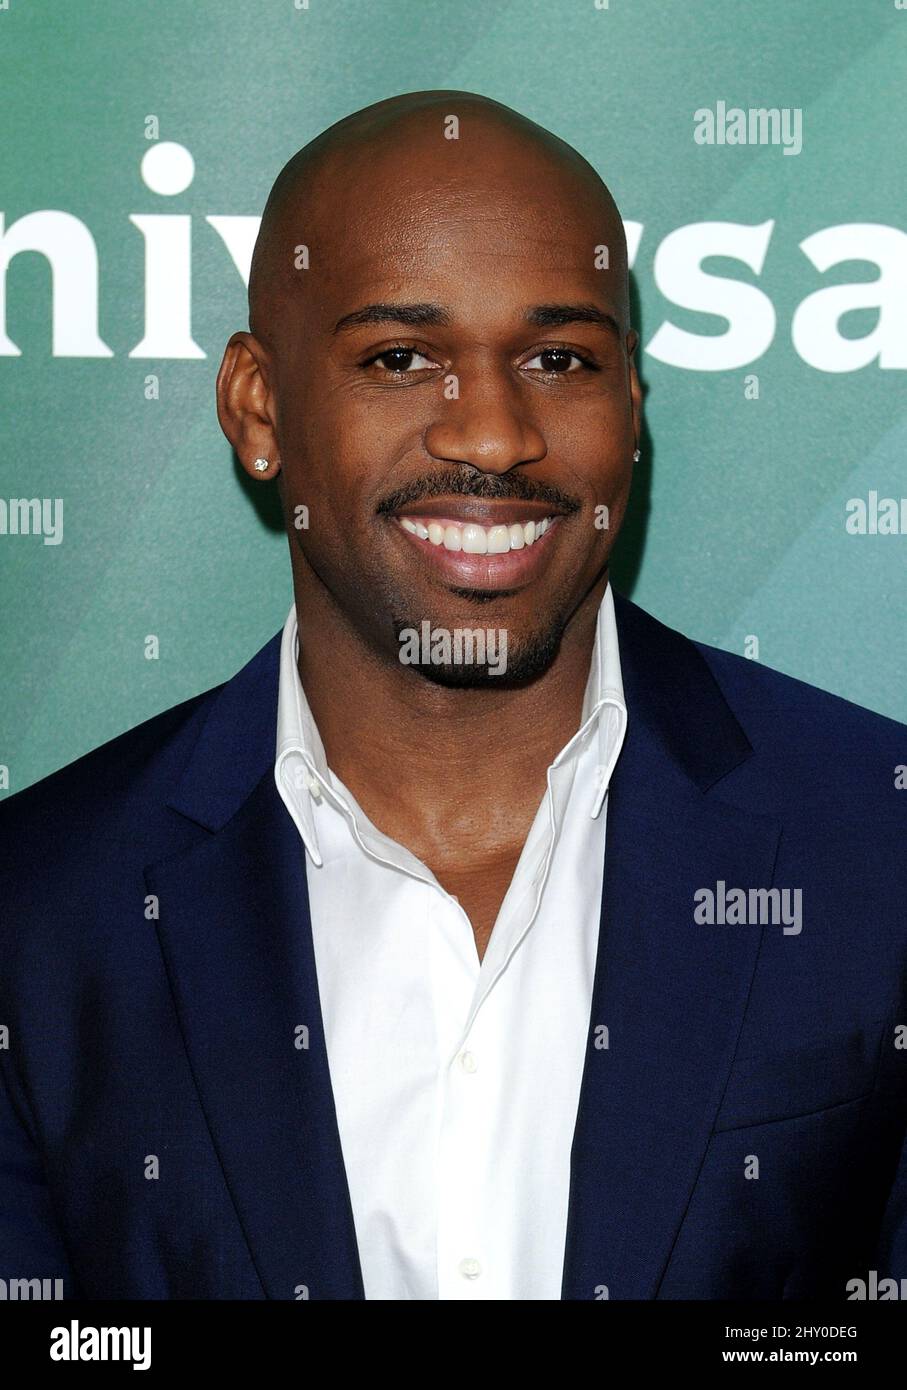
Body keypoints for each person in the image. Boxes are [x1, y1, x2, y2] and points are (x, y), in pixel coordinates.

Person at [1, 90, 905, 1302]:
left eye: (557, 358)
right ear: (258, 409)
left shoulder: (876, 843)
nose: (491, 433)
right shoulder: (43, 909)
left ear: (630, 408)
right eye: (400, 358)